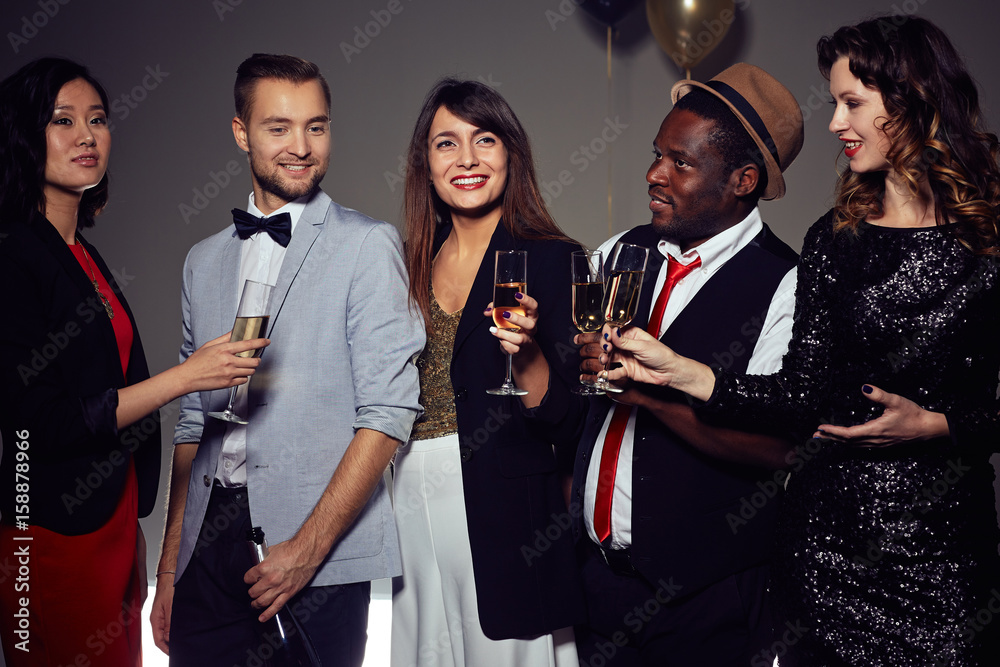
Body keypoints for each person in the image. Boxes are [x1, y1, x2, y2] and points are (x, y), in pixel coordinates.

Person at [600, 16, 1000, 665]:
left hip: (941, 559)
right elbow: (795, 396)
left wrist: (938, 424)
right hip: (820, 559)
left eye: (852, 102)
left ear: (910, 98)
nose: (837, 122)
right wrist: (678, 370)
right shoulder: (834, 236)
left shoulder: (987, 234)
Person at [148, 54, 424, 667]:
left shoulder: (367, 244)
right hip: (207, 544)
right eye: (279, 128)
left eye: (316, 127)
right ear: (242, 133)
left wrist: (307, 547)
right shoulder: (203, 260)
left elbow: (388, 412)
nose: (301, 147)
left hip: (314, 541)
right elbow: (193, 426)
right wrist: (171, 564)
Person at [0, 58, 266, 666]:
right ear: (22, 135)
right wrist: (187, 378)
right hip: (47, 529)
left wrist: (137, 535)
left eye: (97, 119)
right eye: (62, 121)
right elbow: (40, 421)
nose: (86, 136)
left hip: (114, 521)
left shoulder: (82, 253)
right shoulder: (12, 254)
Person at [570, 63, 804, 665]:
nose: (654, 175)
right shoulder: (622, 251)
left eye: (681, 163)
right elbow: (577, 397)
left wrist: (648, 396)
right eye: (656, 155)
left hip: (707, 597)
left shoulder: (787, 283)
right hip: (596, 580)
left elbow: (780, 449)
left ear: (742, 180)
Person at [391, 78, 584, 667]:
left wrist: (524, 353)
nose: (468, 159)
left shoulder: (555, 257)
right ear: (425, 165)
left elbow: (570, 418)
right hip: (404, 497)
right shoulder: (404, 264)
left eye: (485, 139)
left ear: (511, 155)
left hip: (506, 513)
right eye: (446, 144)